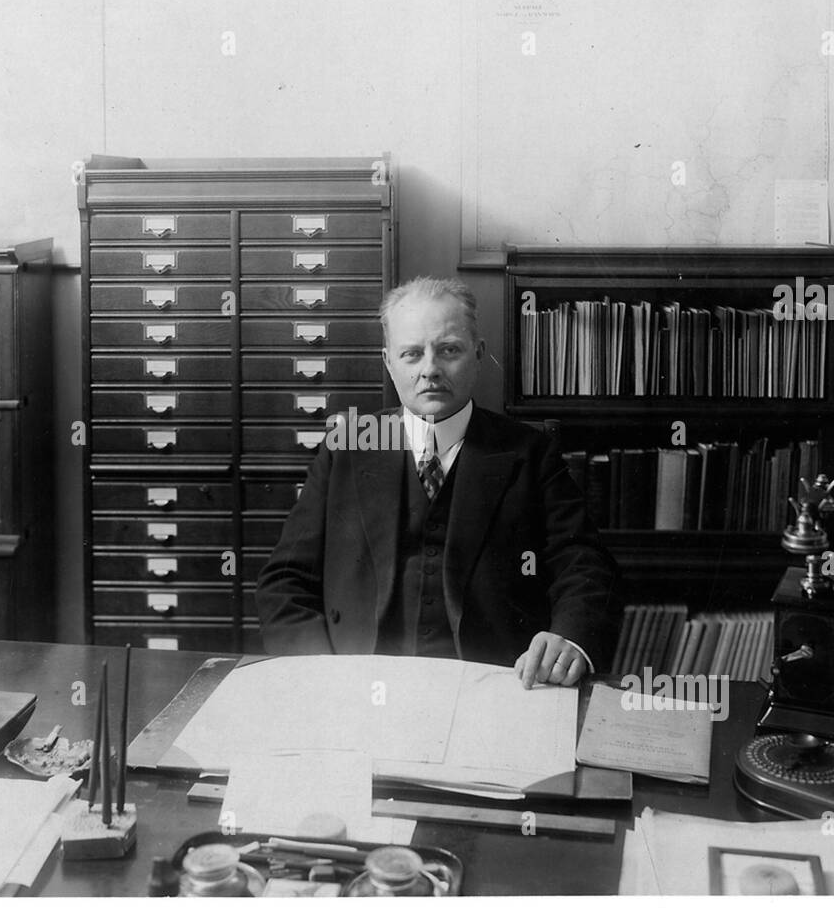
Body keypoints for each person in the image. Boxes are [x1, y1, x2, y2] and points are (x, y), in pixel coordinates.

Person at [255, 276, 620, 687]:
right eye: (411, 354)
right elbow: (284, 580)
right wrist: (319, 671)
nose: (430, 369)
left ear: (479, 354)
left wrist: (570, 637)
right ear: (388, 362)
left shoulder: (531, 451)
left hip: (495, 683)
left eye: (449, 350)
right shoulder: (347, 447)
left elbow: (583, 564)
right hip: (356, 686)